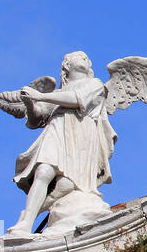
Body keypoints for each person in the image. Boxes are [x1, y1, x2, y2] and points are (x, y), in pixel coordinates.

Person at [6, 51, 116, 237]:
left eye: (86, 58)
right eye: (79, 57)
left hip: (80, 135)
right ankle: (25, 223)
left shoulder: (94, 85)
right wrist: (30, 103)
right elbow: (36, 119)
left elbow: (77, 99)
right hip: (57, 130)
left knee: (66, 185)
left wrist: (40, 96)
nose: (86, 59)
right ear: (67, 65)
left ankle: (29, 214)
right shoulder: (56, 94)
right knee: (44, 171)